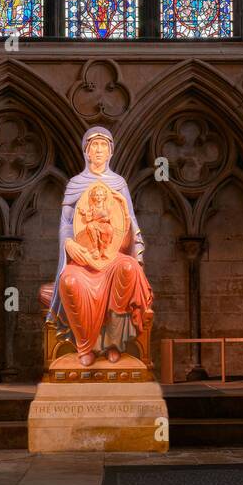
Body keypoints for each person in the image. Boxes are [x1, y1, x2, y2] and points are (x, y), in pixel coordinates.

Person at [49, 126, 153, 367]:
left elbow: (129, 221)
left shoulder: (118, 183)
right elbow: (66, 222)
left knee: (128, 269)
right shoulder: (76, 183)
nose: (98, 150)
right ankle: (86, 346)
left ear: (110, 152)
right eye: (94, 145)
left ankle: (113, 343)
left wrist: (136, 252)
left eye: (103, 145)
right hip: (84, 258)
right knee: (69, 281)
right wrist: (68, 243)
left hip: (111, 255)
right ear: (86, 151)